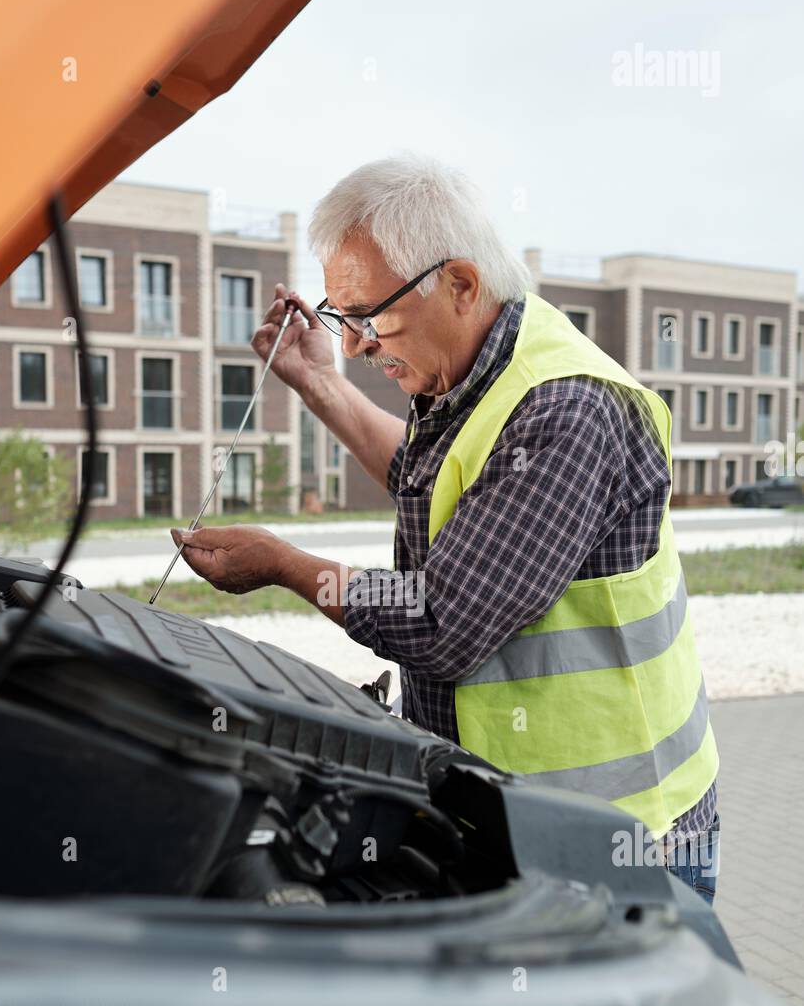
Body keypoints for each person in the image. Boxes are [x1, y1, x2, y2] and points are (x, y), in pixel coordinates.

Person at [171, 155, 720, 902]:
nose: (358, 344)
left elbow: (442, 620)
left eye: (369, 316)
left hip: (616, 837)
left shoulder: (563, 410)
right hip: (520, 814)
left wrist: (282, 563)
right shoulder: (479, 370)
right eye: (343, 320)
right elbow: (431, 480)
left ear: (460, 284)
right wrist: (319, 383)